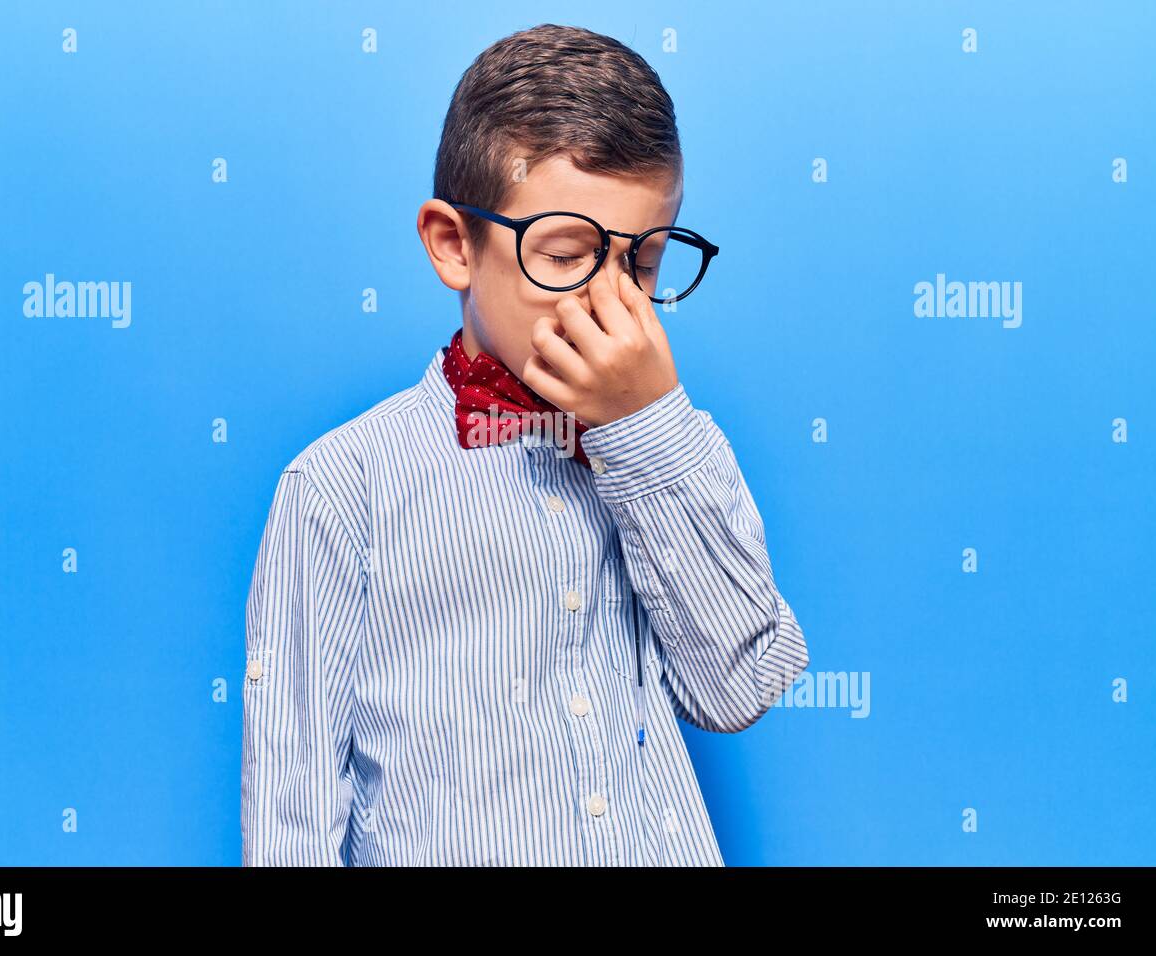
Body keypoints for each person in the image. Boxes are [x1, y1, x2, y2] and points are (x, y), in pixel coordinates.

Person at [241, 22, 809, 866]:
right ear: (453, 244)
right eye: (569, 254)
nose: (613, 305)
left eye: (644, 263)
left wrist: (645, 432)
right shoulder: (341, 488)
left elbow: (740, 687)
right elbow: (292, 816)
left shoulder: (676, 445)